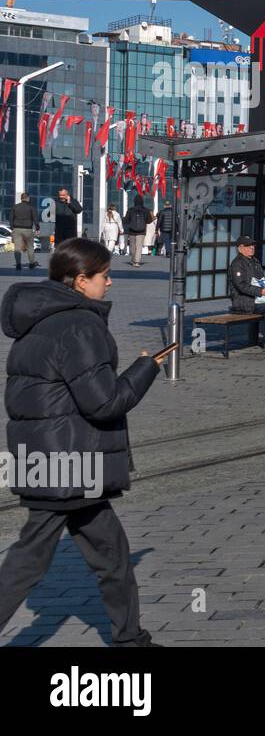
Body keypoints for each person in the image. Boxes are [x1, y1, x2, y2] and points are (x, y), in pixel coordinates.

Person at [0, 239, 162, 646]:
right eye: (105, 276)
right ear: (80, 280)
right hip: (70, 463)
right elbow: (105, 401)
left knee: (111, 555)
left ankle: (130, 639)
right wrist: (145, 368)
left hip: (50, 457)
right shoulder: (80, 324)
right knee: (29, 559)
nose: (109, 284)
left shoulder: (39, 318)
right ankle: (130, 640)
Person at [10, 192, 38, 270]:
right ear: (28, 198)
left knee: (17, 248)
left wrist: (13, 228)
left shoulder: (15, 207)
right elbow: (35, 219)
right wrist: (37, 228)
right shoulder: (31, 208)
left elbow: (11, 219)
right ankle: (32, 263)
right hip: (28, 229)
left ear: (21, 198)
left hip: (17, 229)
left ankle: (18, 264)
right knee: (30, 247)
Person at [123, 195, 152, 267]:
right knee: (139, 246)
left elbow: (126, 220)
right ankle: (137, 262)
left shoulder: (130, 210)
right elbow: (149, 220)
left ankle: (133, 260)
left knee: (132, 247)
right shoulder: (146, 210)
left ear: (134, 201)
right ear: (142, 201)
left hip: (132, 231)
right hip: (142, 231)